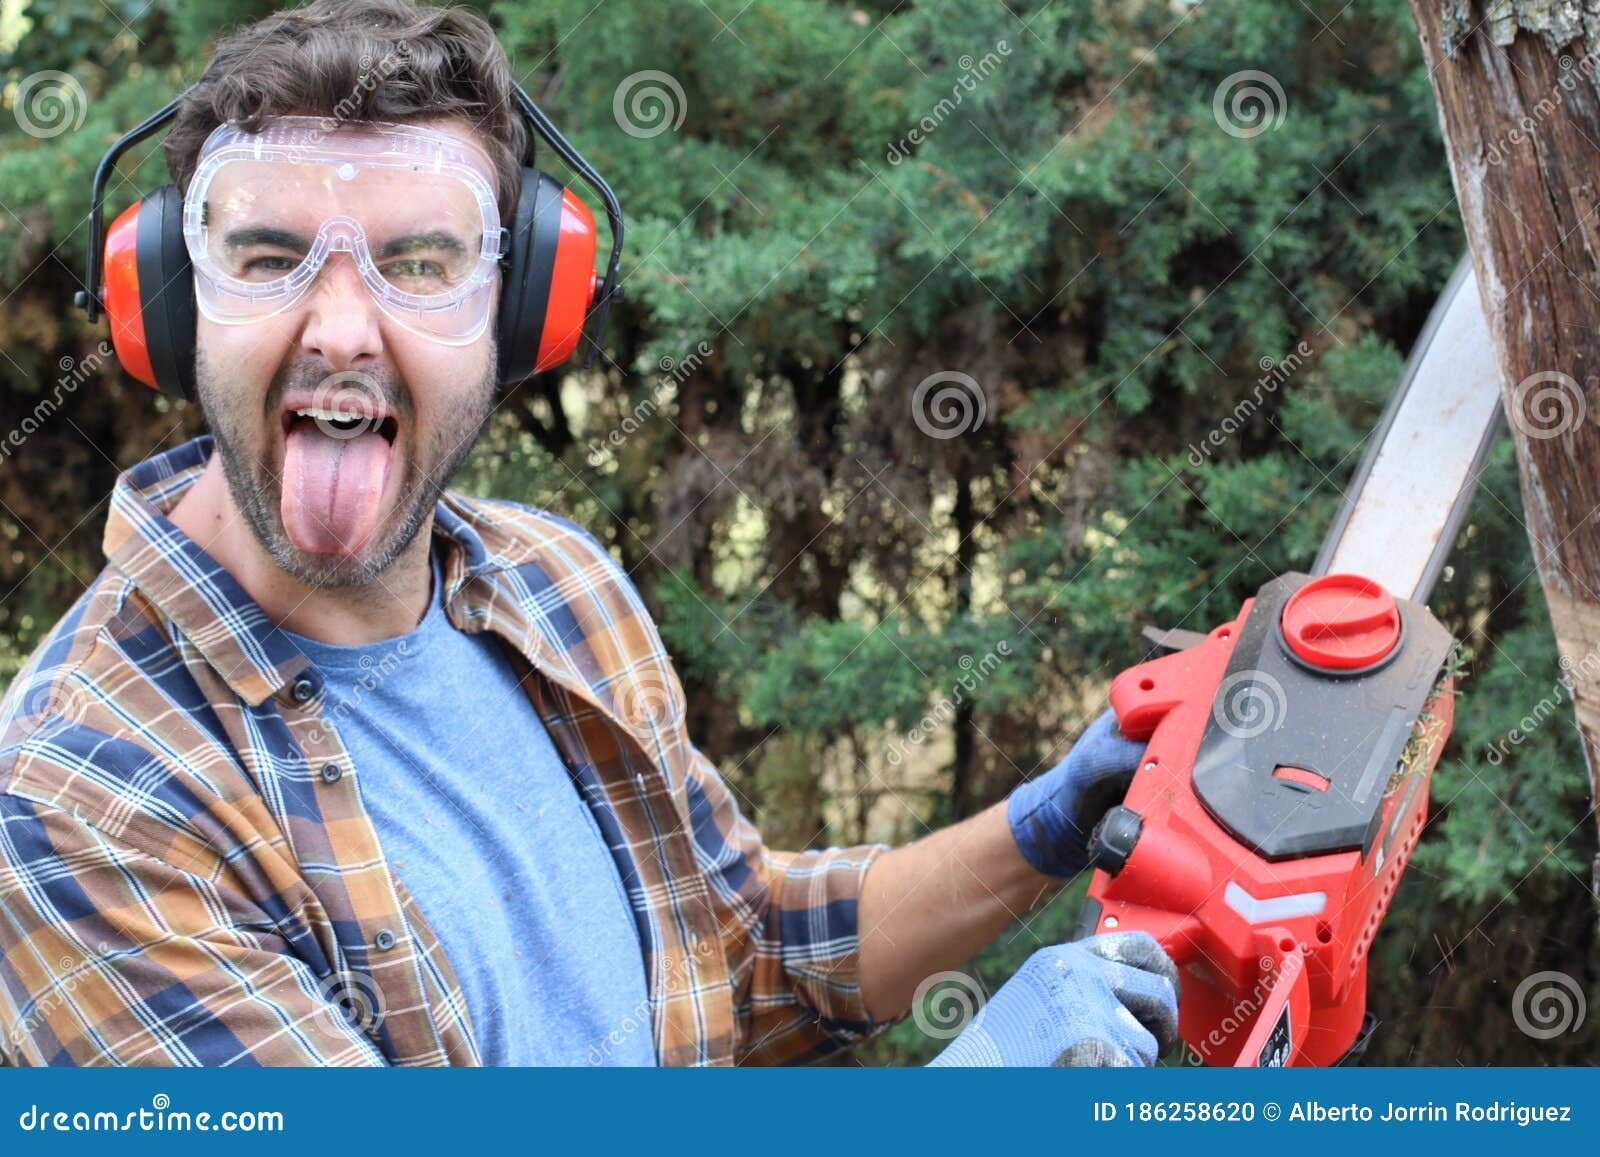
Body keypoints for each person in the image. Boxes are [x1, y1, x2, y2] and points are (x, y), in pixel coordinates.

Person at [0, 0, 1177, 1067]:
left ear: (521, 309)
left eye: (421, 262)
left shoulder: (552, 585)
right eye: (267, 257)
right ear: (168, 299)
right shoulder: (82, 807)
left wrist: (1040, 830)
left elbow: (746, 954)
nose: (343, 328)